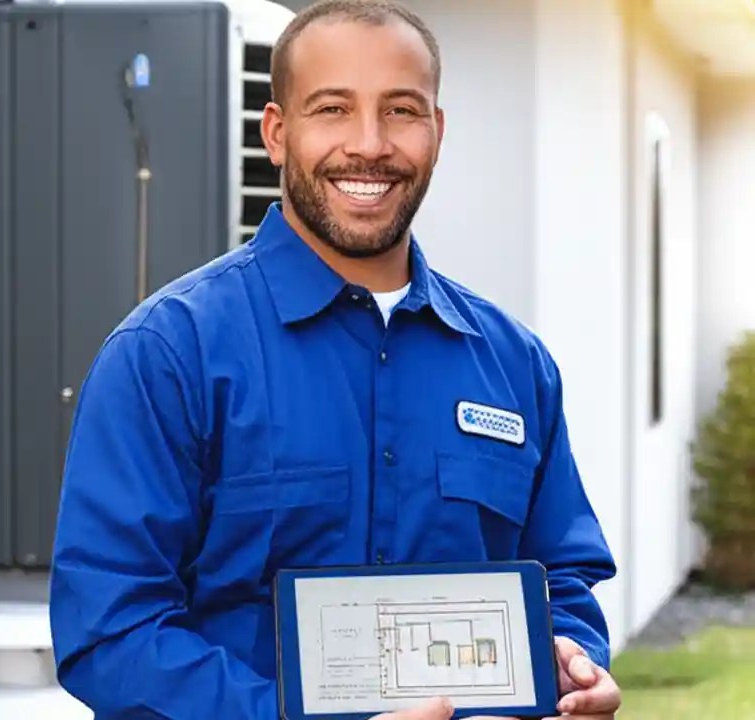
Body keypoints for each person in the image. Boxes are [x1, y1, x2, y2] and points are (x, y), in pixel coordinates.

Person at [48, 1, 623, 718]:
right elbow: (111, 635)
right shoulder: (168, 356)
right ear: (278, 134)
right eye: (332, 109)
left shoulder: (513, 363)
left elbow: (563, 577)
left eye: (402, 111)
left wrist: (571, 661)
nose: (369, 144)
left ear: (436, 133)